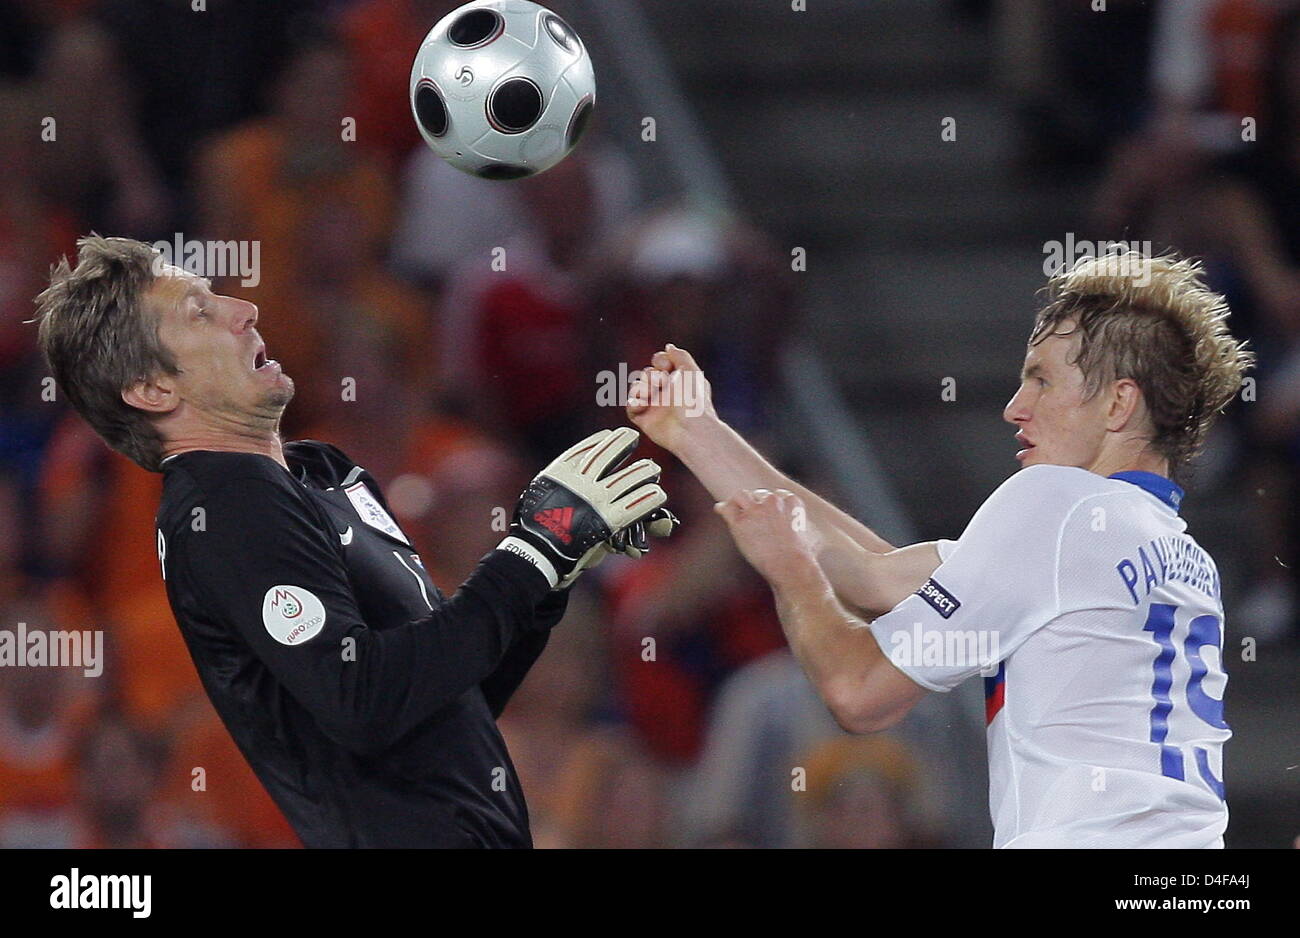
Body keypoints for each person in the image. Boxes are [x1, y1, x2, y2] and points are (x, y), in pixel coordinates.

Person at [31, 234, 674, 848]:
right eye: (200, 312)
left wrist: (554, 565)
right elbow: (361, 701)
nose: (244, 307)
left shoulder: (321, 472)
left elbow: (445, 701)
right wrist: (536, 547)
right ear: (152, 389)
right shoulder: (225, 502)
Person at [627, 250, 1253, 848]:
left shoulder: (1057, 504)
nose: (1014, 408)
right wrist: (698, 432)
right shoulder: (1178, 555)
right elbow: (871, 577)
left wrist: (788, 571)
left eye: (1040, 379)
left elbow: (858, 691)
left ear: (1119, 401)